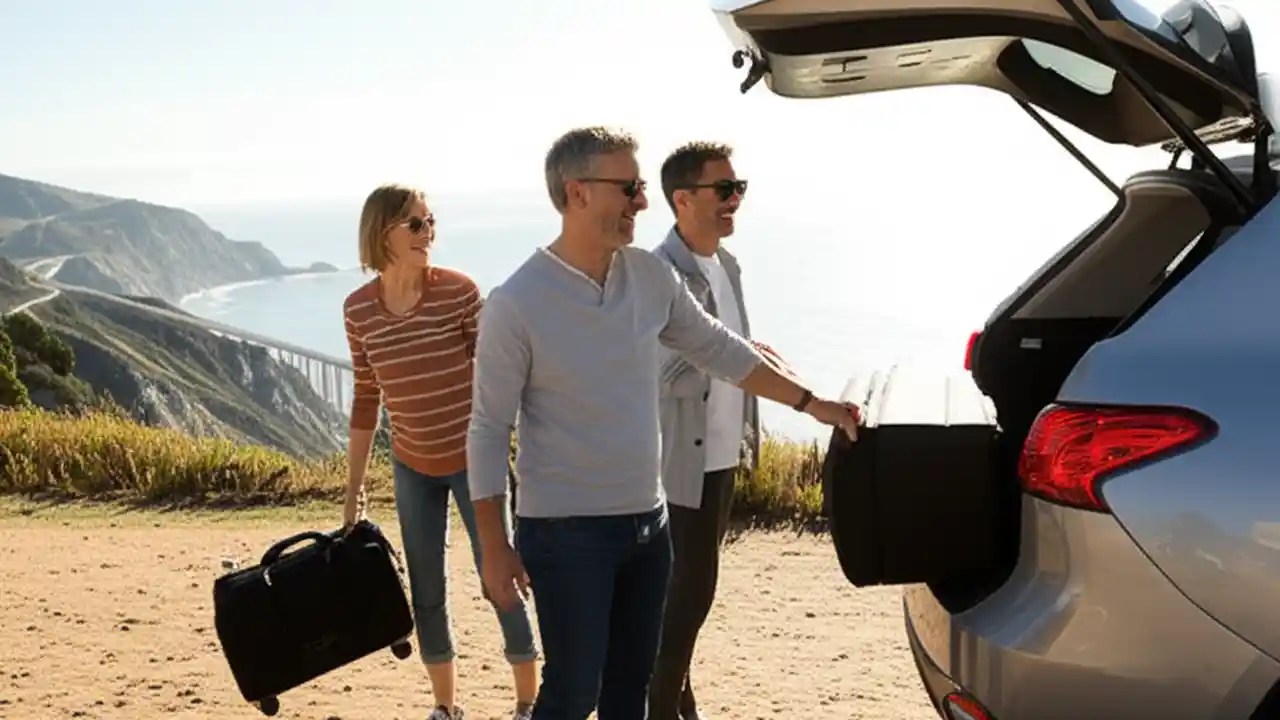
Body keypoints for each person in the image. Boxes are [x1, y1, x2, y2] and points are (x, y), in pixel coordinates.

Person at [466, 126, 860, 720]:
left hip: (649, 530)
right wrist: (492, 546)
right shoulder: (517, 302)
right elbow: (489, 429)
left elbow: (724, 351)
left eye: (640, 187)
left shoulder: (650, 279)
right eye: (628, 188)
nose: (642, 203)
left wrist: (814, 404)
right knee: (574, 692)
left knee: (632, 690)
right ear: (577, 194)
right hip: (565, 534)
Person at [341, 183, 538, 720]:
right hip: (411, 466)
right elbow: (365, 401)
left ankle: (527, 704)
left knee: (500, 580)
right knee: (426, 593)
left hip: (477, 465)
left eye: (431, 223)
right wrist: (354, 491)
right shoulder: (358, 312)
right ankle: (445, 708)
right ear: (382, 233)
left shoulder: (458, 293)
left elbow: (497, 379)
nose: (428, 233)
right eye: (415, 225)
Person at [648, 140, 778, 720]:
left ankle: (677, 700)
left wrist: (746, 354)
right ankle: (660, 707)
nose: (734, 201)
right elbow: (661, 367)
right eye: (722, 190)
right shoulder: (656, 275)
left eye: (738, 189)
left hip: (723, 454)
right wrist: (733, 356)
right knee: (686, 595)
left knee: (691, 593)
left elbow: (731, 351)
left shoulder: (728, 267)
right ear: (682, 199)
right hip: (679, 458)